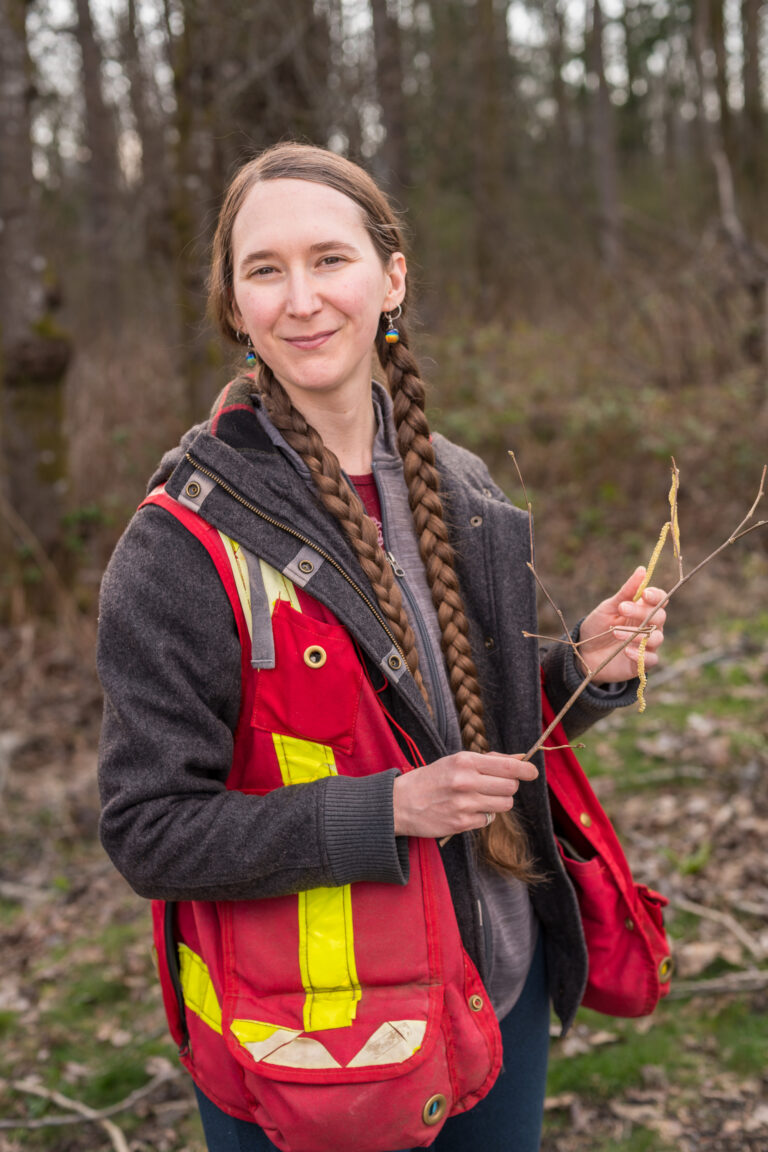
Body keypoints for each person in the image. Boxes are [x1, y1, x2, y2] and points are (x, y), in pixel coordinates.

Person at [97, 142, 667, 1152]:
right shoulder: (181, 542)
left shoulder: (464, 487)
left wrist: (583, 670)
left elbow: (473, 736)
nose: (301, 299)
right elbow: (150, 831)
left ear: (392, 277)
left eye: (330, 259)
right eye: (265, 270)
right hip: (310, 1043)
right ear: (234, 306)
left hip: (497, 987)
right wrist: (389, 810)